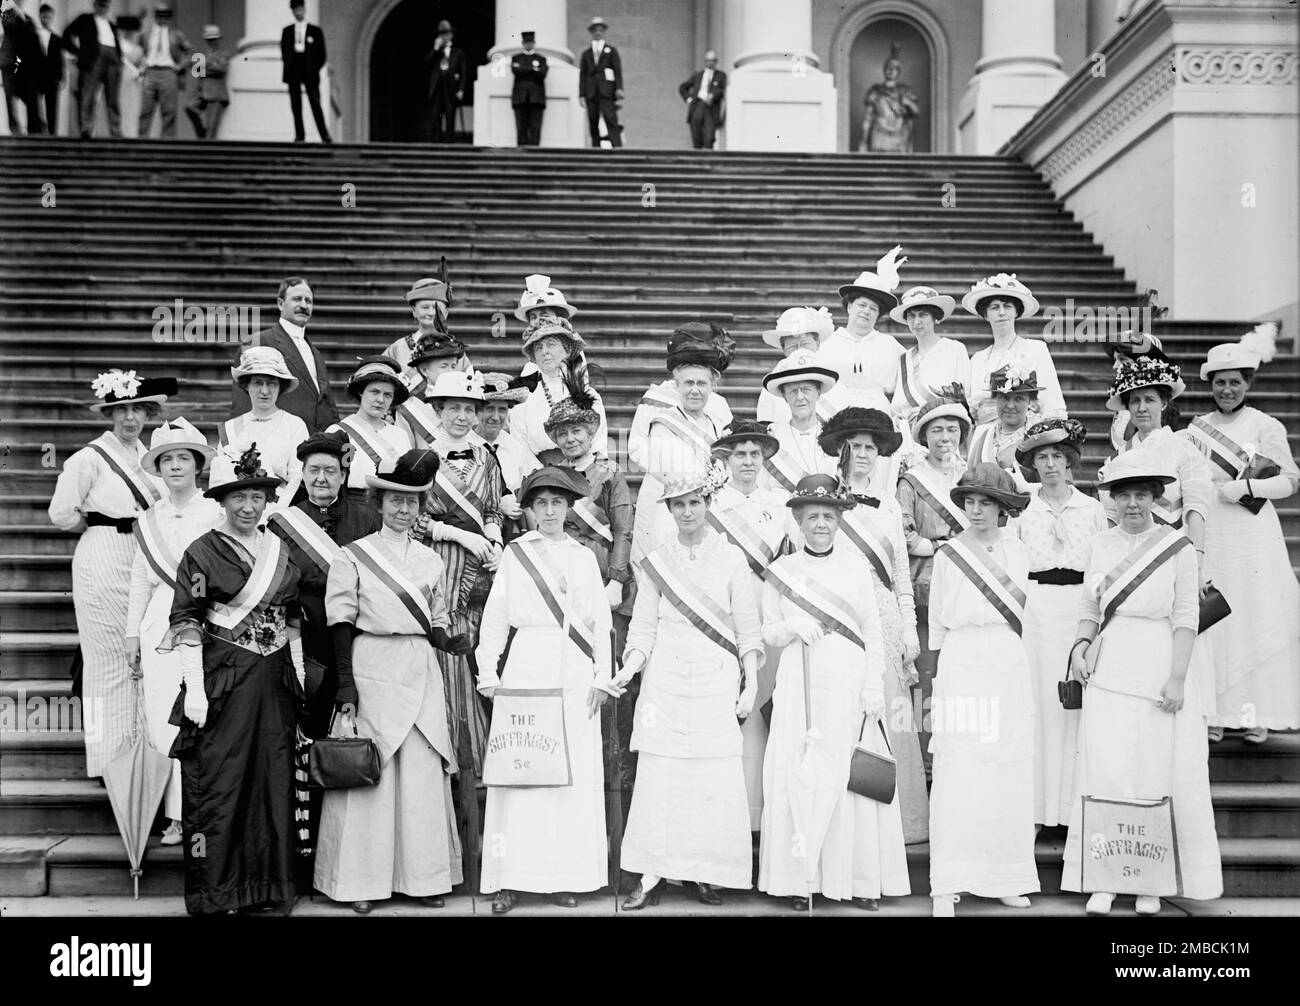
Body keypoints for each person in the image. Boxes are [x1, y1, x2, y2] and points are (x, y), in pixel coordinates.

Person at [1063, 451, 1223, 914]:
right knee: (1109, 768)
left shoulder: (1178, 547)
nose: (1133, 504)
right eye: (1125, 495)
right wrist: (1078, 647)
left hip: (1158, 665)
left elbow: (1186, 616)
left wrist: (1177, 677)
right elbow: (1090, 609)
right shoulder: (1101, 545)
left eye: (1142, 495)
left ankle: (1149, 881)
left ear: (1155, 499)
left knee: (1154, 770)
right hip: (1110, 667)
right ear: (1112, 501)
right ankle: (1105, 879)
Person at [314, 449, 471, 914]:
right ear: (379, 504)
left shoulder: (431, 561)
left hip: (419, 666)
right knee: (370, 773)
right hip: (371, 664)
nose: (404, 510)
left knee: (421, 770)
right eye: (395, 501)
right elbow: (339, 621)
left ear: (421, 509)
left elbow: (436, 619)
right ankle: (360, 883)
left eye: (413, 503)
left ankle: (422, 878)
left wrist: (450, 642)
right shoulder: (353, 556)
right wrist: (345, 684)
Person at [612, 464, 762, 909]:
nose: (687, 511)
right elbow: (642, 629)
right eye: (679, 505)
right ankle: (654, 874)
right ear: (670, 510)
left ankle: (705, 873)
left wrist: (751, 682)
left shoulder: (731, 557)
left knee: (710, 778)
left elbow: (748, 628)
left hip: (715, 677)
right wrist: (630, 667)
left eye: (695, 502)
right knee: (663, 777)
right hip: (667, 679)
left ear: (708, 504)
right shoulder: (657, 562)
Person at [759, 474, 908, 910]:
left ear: (839, 519)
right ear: (799, 521)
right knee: (799, 772)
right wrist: (790, 626)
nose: (821, 523)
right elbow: (767, 630)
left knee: (846, 777)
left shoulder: (855, 567)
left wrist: (872, 686)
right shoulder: (782, 572)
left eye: (828, 515)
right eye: (812, 517)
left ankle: (856, 880)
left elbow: (873, 632)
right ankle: (797, 880)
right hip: (798, 684)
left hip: (846, 682)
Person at [168, 444, 304, 915]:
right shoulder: (202, 552)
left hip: (273, 680)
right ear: (222, 501)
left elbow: (291, 617)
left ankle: (268, 889)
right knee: (220, 786)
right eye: (239, 498)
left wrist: (300, 674)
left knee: (272, 781)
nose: (248, 507)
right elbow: (187, 618)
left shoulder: (279, 550)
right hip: (223, 678)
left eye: (257, 498)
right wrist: (195, 689)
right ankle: (217, 892)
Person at [474, 466, 615, 912]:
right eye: (541, 504)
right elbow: (495, 618)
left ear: (568, 507)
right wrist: (489, 674)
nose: (550, 511)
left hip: (574, 671)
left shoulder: (582, 556)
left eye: (557, 503)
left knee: (571, 776)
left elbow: (601, 623)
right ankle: (510, 878)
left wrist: (601, 677)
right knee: (522, 771)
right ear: (530, 511)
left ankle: (565, 877)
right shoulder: (517, 554)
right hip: (527, 666)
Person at [409, 370, 507, 888]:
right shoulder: (422, 455)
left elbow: (492, 509)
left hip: (479, 574)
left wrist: (491, 538)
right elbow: (413, 517)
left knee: (473, 661)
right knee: (445, 655)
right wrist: (461, 537)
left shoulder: (487, 457)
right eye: (453, 408)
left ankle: (476, 800)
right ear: (438, 409)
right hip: (437, 564)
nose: (463, 416)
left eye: (470, 408)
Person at [48, 370, 172, 778]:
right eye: (121, 411)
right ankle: (108, 764)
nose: (130, 419)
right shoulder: (88, 458)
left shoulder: (153, 457)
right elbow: (61, 513)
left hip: (142, 557)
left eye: (138, 410)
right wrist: (98, 524)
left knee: (140, 657)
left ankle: (140, 758)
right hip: (102, 557)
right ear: (109, 413)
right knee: (107, 661)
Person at [928, 463, 1039, 917]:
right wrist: (937, 684)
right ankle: (947, 884)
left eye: (985, 503)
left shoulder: (1018, 551)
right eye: (970, 502)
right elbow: (936, 625)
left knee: (1005, 768)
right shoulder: (947, 555)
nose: (975, 511)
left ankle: (1005, 878)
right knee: (959, 770)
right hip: (962, 661)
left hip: (1005, 660)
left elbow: (1025, 616)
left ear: (1002, 509)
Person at [818, 407, 928, 844]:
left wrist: (910, 632)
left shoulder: (887, 507)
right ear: (842, 451)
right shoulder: (826, 500)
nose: (864, 454)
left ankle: (898, 828)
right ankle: (845, 829)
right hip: (842, 620)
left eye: (871, 448)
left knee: (889, 717)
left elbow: (901, 575)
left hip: (883, 619)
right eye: (857, 446)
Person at [1187, 328, 1300, 743]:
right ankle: (1216, 712)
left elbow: (1290, 481)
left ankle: (1256, 713)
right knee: (1218, 617)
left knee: (1255, 616)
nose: (1228, 389)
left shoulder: (1265, 425)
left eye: (1236, 381)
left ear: (1248, 383)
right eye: (1220, 382)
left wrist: (1248, 487)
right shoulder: (1197, 429)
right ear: (1210, 385)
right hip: (1214, 530)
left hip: (1252, 533)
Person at [125, 419, 221, 845]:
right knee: (168, 719)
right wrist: (131, 634)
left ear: (199, 465)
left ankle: (210, 810)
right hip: (160, 623)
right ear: (158, 468)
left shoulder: (216, 511)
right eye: (167, 460)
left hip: (208, 618)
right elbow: (141, 581)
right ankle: (178, 817)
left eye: (184, 458)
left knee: (208, 712)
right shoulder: (147, 520)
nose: (176, 466)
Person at [1013, 418, 1106, 828]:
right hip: (1035, 613)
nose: (1050, 465)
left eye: (1057, 456)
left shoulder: (1092, 509)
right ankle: (1035, 809)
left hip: (1078, 610)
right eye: (1042, 457)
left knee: (1074, 705)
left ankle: (1073, 811)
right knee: (1038, 705)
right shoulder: (1022, 511)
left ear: (1070, 462)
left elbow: (1102, 568)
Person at [708, 419, 793, 829]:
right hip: (726, 620)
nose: (747, 462)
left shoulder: (779, 506)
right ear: (725, 459)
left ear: (764, 459)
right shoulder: (710, 506)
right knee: (729, 712)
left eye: (754, 455)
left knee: (765, 709)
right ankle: (729, 818)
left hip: (770, 618)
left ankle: (765, 819)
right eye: (738, 454)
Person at [896, 390, 971, 768]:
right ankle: (927, 765)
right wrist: (943, 545)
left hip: (969, 588)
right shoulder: (912, 481)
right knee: (928, 674)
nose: (945, 438)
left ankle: (962, 756)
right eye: (937, 430)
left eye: (952, 430)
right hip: (926, 587)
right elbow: (903, 534)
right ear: (924, 436)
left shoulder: (971, 474)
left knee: (963, 674)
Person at [630, 322, 735, 560]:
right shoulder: (655, 398)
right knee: (657, 554)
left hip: (706, 493)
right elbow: (637, 448)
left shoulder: (718, 403)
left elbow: (726, 446)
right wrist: (675, 477)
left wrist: (712, 478)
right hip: (663, 489)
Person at [233, 276, 339, 433]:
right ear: (280, 304)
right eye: (297, 299)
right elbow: (242, 403)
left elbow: (325, 402)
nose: (303, 305)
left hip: (317, 444)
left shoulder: (315, 352)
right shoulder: (256, 341)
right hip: (277, 440)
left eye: (308, 301)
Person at [215, 346, 309, 514]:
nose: (264, 391)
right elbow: (222, 480)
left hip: (279, 512)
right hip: (238, 514)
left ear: (280, 386)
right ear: (246, 385)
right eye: (257, 382)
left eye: (272, 383)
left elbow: (298, 478)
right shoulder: (230, 428)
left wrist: (276, 513)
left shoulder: (294, 425)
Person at [963, 273, 1065, 424]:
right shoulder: (978, 359)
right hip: (984, 437)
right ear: (985, 314)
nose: (1002, 312)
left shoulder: (1035, 349)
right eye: (994, 307)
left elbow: (1051, 402)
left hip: (1023, 434)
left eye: (1008, 306)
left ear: (1016, 312)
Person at [817, 246, 908, 413]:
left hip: (878, 412)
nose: (866, 311)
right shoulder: (827, 342)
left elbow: (906, 383)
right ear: (850, 306)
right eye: (862, 305)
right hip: (833, 412)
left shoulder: (889, 344)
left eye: (873, 309)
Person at [510, 316, 609, 459]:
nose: (544, 352)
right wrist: (542, 476)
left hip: (584, 475)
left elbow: (599, 446)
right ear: (534, 357)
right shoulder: (524, 397)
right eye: (538, 347)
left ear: (567, 350)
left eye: (551, 344)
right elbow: (519, 446)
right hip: (541, 474)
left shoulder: (587, 393)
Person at [326, 356, 413, 508]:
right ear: (361, 392)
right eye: (374, 392)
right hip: (351, 509)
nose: (381, 400)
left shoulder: (400, 435)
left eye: (388, 395)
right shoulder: (338, 431)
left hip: (392, 509)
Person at [888, 285, 970, 442]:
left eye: (923, 315)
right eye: (911, 316)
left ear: (935, 317)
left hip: (942, 430)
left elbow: (963, 397)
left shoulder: (954, 349)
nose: (916, 321)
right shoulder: (905, 358)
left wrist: (927, 412)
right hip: (910, 434)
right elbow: (897, 404)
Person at [759, 349, 840, 493]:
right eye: (793, 391)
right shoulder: (772, 436)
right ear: (784, 397)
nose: (800, 397)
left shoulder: (835, 436)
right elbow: (762, 486)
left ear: (818, 393)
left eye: (806, 389)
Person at [756, 306, 835, 425]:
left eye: (805, 344)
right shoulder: (772, 387)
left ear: (817, 343)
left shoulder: (831, 381)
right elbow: (765, 426)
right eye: (793, 346)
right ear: (783, 349)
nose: (799, 351)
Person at [393, 330, 465, 446]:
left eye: (453, 366)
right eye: (444, 366)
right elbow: (404, 452)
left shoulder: (466, 398)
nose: (450, 372)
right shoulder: (410, 406)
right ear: (424, 370)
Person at [967, 364, 1040, 477]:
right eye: (1004, 397)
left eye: (1019, 399)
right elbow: (970, 477)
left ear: (1030, 402)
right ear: (995, 399)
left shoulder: (1039, 435)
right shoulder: (984, 435)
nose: (1010, 406)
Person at [64, 0, 122, 139]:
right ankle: (86, 129)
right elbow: (67, 34)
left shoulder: (111, 25)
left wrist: (119, 58)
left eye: (105, 6)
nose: (103, 8)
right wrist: (79, 54)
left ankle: (115, 131)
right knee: (88, 95)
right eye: (100, 5)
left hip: (113, 59)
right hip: (95, 59)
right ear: (95, 5)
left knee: (112, 98)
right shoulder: (85, 19)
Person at [385, 273, 455, 383]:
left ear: (446, 313)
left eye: (437, 308)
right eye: (425, 307)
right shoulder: (397, 348)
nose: (431, 313)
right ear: (414, 311)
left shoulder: (455, 348)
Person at [136, 5, 189, 139]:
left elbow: (193, 53)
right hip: (150, 72)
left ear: (169, 18)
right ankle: (142, 139)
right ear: (155, 16)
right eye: (159, 15)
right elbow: (138, 51)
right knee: (145, 109)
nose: (162, 19)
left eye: (165, 16)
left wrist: (181, 67)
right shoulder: (146, 34)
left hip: (168, 72)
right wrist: (141, 67)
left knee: (169, 110)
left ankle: (167, 140)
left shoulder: (176, 35)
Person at [281, 0, 329, 143]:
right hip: (294, 69)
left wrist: (314, 68)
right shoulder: (287, 31)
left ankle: (324, 135)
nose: (298, 12)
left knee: (315, 103)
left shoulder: (315, 31)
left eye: (300, 8)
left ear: (304, 9)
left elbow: (322, 55)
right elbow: (284, 51)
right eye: (295, 9)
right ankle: (299, 136)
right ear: (293, 11)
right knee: (296, 105)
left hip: (310, 70)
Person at [859, 43, 919, 153]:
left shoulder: (905, 90)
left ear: (898, 71)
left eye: (894, 69)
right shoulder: (875, 91)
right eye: (888, 68)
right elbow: (868, 117)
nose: (891, 71)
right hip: (879, 132)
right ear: (884, 70)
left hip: (899, 134)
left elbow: (915, 112)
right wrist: (863, 141)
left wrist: (908, 103)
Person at [578, 15, 622, 148]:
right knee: (593, 120)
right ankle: (596, 147)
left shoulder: (611, 51)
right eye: (595, 30)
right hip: (591, 91)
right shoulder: (586, 54)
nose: (598, 32)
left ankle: (616, 146)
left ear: (604, 32)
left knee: (610, 118)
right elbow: (583, 75)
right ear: (591, 32)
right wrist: (581, 94)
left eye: (600, 30)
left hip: (606, 90)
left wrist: (619, 88)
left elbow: (617, 71)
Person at [1, 0, 42, 134]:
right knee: (10, 97)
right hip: (8, 61)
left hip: (23, 64)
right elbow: (9, 27)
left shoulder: (27, 18)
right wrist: (18, 14)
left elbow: (33, 38)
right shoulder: (7, 14)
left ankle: (35, 127)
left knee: (28, 95)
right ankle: (15, 128)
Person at [185, 24, 229, 139]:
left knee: (211, 127)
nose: (211, 42)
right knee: (189, 107)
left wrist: (205, 65)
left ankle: (208, 148)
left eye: (213, 39)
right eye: (209, 39)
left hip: (216, 94)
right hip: (203, 93)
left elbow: (221, 69)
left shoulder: (223, 54)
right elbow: (197, 72)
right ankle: (201, 135)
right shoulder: (203, 56)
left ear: (218, 39)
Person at [425, 19, 465, 143]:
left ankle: (449, 140)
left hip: (451, 86)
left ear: (451, 35)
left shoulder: (458, 53)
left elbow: (463, 72)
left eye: (446, 34)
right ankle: (435, 139)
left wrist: (461, 89)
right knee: (436, 113)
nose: (444, 37)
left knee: (450, 113)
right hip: (437, 86)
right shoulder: (436, 52)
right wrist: (436, 48)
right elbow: (427, 63)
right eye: (441, 34)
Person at [678, 49, 725, 150]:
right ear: (705, 61)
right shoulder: (697, 75)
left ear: (716, 61)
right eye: (708, 60)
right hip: (697, 106)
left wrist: (713, 95)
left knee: (709, 138)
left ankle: (708, 160)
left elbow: (722, 90)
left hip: (710, 108)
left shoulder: (721, 76)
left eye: (713, 60)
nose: (710, 62)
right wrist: (688, 99)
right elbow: (682, 87)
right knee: (696, 135)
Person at [511, 30, 546, 146]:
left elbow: (542, 73)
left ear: (534, 43)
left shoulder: (541, 59)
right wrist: (532, 69)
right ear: (523, 43)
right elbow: (516, 71)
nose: (528, 44)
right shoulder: (516, 58)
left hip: (536, 97)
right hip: (520, 97)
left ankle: (535, 150)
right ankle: (521, 149)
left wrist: (524, 68)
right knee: (521, 125)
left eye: (530, 42)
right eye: (526, 42)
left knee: (535, 125)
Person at [34, 4, 64, 136]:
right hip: (36, 75)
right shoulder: (33, 35)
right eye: (44, 17)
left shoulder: (56, 38)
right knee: (36, 106)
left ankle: (52, 134)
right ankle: (38, 130)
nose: (47, 20)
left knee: (52, 107)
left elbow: (60, 60)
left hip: (52, 77)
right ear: (40, 16)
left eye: (49, 17)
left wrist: (62, 78)